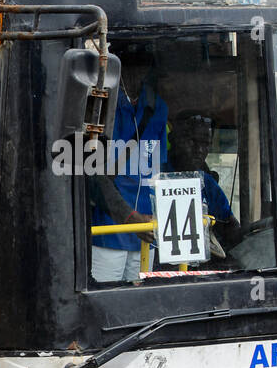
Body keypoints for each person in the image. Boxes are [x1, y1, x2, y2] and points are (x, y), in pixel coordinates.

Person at [90, 49, 168, 282]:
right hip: (107, 231)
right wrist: (130, 218)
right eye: (133, 66)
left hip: (146, 229)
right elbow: (90, 172)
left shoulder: (157, 107)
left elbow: (159, 169)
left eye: (144, 66)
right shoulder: (100, 104)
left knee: (140, 301)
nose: (138, 73)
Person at [168, 111, 239, 253]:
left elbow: (231, 227)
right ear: (174, 139)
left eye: (206, 144)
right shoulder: (155, 178)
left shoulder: (207, 183)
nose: (200, 150)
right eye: (192, 141)